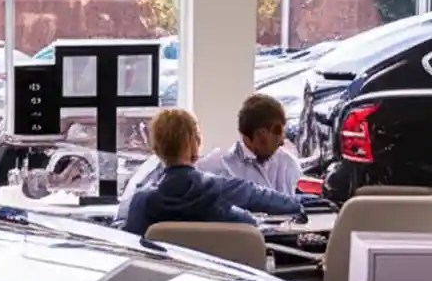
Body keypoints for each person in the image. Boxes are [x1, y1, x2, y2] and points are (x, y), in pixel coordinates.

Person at [115, 92, 302, 221]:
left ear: (155, 149)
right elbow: (254, 217)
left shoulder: (140, 199)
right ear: (196, 144)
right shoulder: (220, 188)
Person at [195, 93, 301, 195]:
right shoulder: (217, 166)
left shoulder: (288, 164)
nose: (282, 142)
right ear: (259, 134)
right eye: (276, 133)